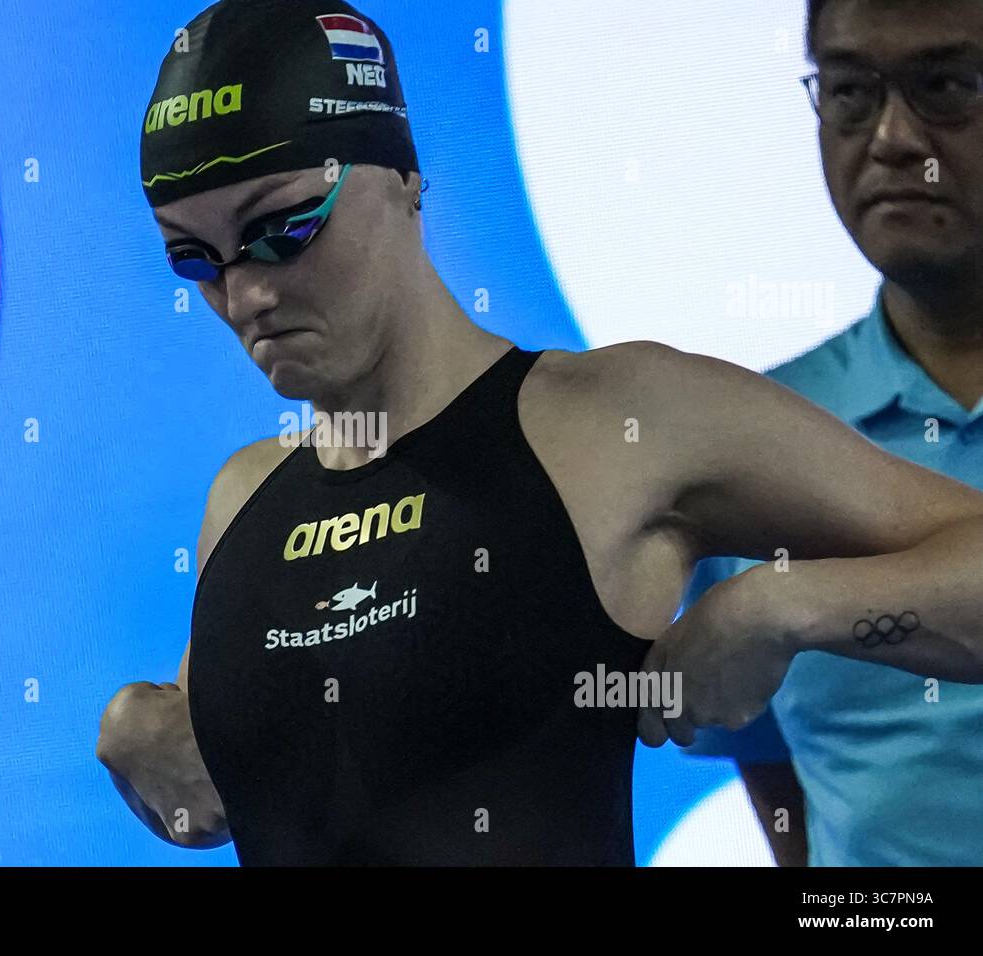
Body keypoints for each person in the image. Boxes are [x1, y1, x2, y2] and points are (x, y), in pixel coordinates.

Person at [96, 0, 983, 865]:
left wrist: (783, 607)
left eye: (283, 228)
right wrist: (152, 733)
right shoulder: (244, 500)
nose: (246, 295)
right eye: (195, 258)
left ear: (405, 180)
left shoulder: (617, 421)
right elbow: (238, 789)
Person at [682, 0, 983, 867]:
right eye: (849, 89)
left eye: (947, 85)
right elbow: (786, 806)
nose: (890, 136)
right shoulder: (752, 443)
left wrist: (784, 607)